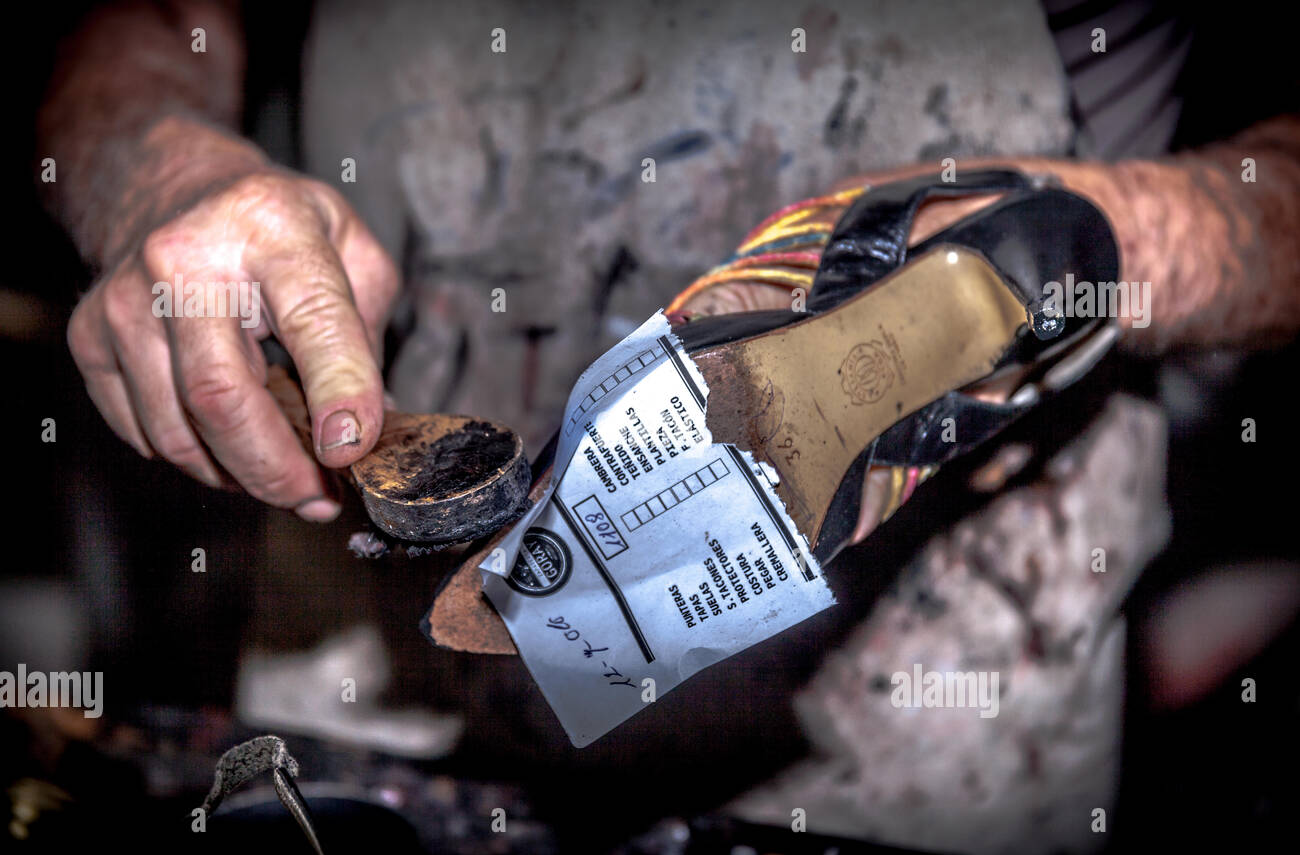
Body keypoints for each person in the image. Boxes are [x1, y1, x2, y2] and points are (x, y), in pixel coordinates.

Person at [38, 0, 1300, 532]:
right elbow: (147, 23)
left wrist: (1080, 249)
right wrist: (161, 172)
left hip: (931, 717)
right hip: (376, 663)